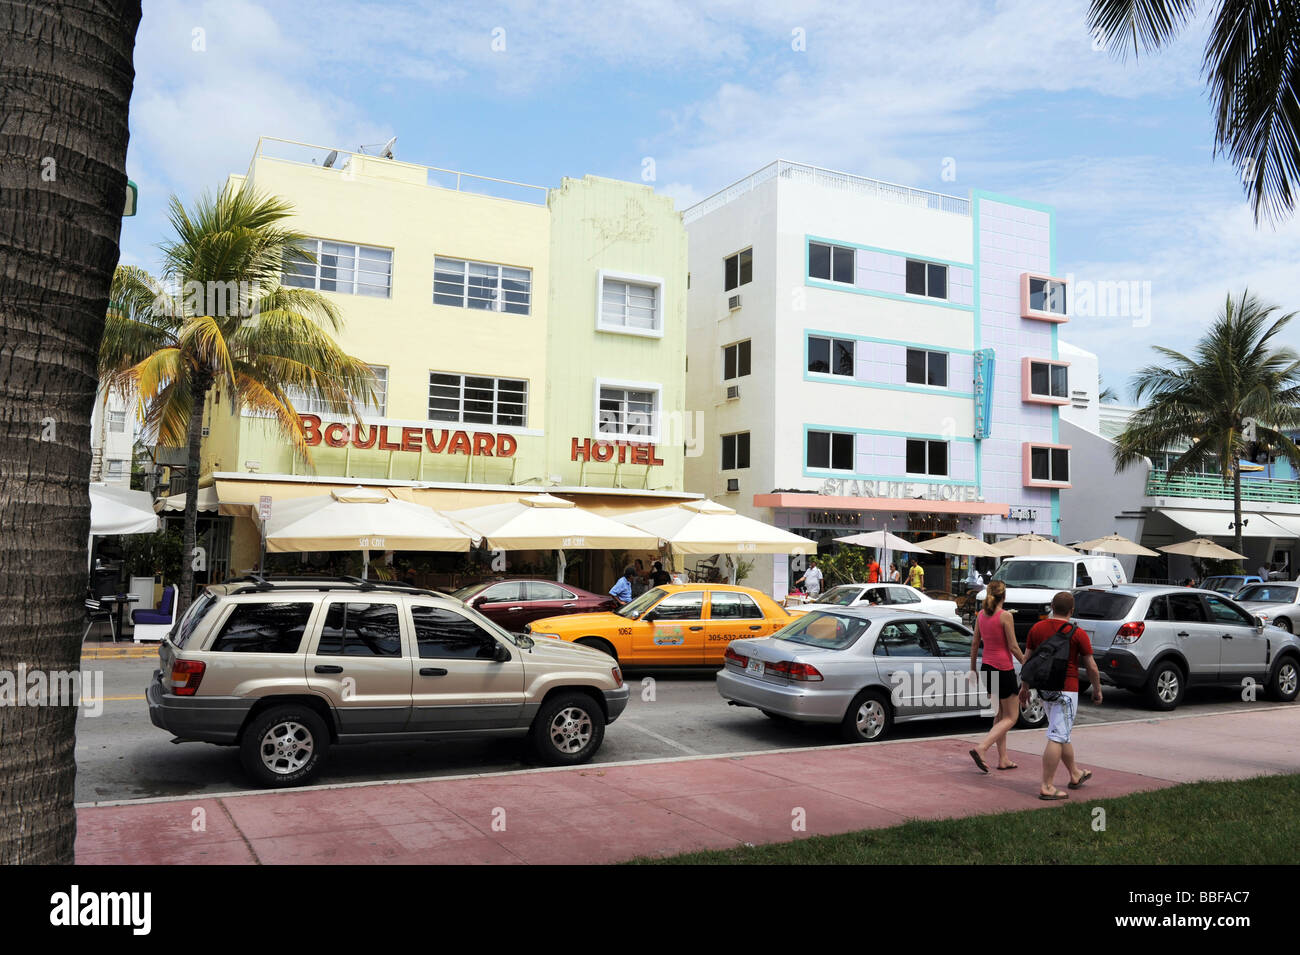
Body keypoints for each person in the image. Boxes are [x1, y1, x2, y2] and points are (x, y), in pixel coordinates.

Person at [1022, 590, 1103, 800]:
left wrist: (1024, 687)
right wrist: (1097, 689)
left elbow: (1027, 661)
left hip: (1044, 688)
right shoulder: (1078, 633)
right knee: (1057, 736)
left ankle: (1075, 774)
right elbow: (1092, 667)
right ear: (1072, 610)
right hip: (1067, 689)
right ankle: (1047, 786)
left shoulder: (1036, 628)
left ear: (1051, 606)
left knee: (1060, 729)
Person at [968, 580, 1025, 773]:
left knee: (999, 715)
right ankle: (982, 747)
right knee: (1012, 716)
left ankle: (1003, 759)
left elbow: (975, 643)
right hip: (1003, 668)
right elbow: (1013, 646)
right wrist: (1027, 662)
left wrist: (972, 668)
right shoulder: (1005, 616)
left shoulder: (981, 615)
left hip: (987, 667)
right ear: (1004, 596)